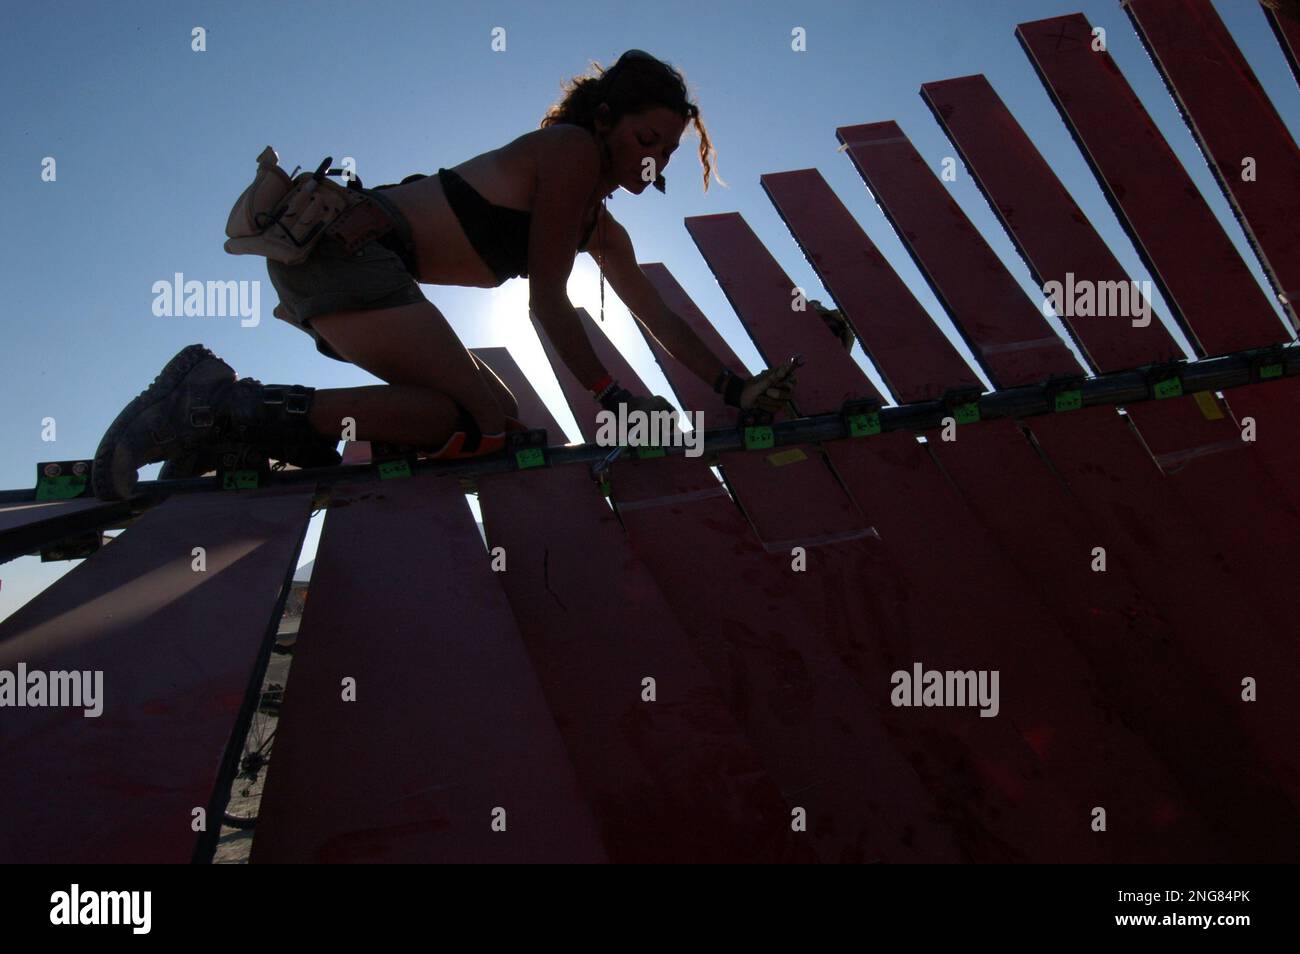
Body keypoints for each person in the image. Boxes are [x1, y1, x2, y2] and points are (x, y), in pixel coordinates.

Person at [92, 49, 800, 501]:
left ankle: (230, 433)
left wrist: (736, 388)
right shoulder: (572, 154)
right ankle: (214, 402)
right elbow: (548, 306)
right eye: (647, 140)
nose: (655, 161)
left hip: (347, 270)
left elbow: (657, 313)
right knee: (483, 420)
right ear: (607, 119)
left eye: (669, 152)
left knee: (492, 427)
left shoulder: (599, 226)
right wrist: (612, 396)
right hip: (345, 250)